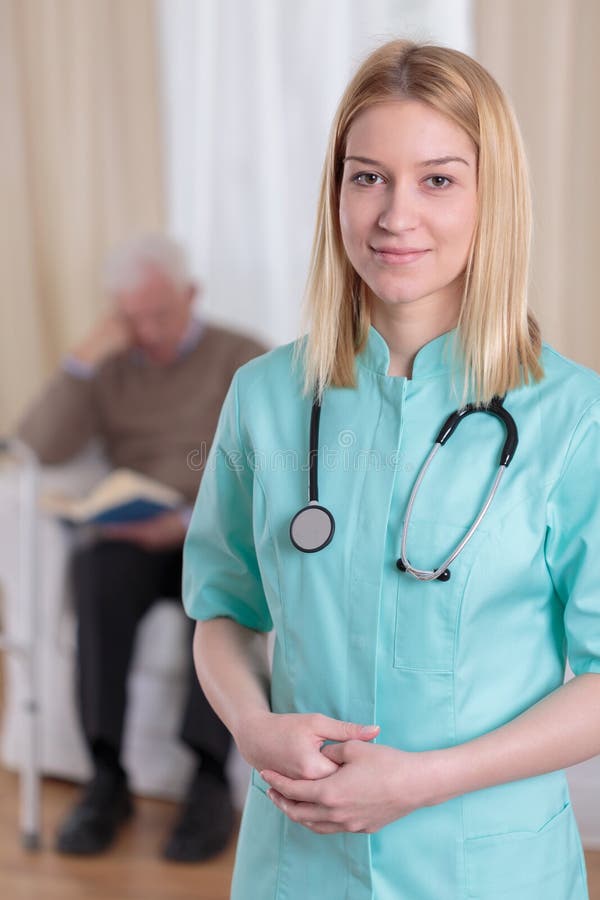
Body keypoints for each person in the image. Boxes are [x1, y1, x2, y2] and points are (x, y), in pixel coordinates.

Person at [182, 40, 600, 900]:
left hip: (487, 865)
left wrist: (424, 780)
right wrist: (253, 725)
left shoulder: (574, 416)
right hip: (296, 865)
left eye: (438, 179)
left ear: (494, 197)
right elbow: (221, 611)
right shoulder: (264, 396)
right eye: (366, 177)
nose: (394, 215)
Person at [17, 234, 267, 861]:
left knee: (221, 588)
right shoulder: (110, 368)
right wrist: (81, 360)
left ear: (191, 296)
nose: (147, 330)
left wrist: (189, 519)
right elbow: (32, 449)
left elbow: (276, 467)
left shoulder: (241, 359)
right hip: (134, 536)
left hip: (210, 532)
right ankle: (107, 778)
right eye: (132, 317)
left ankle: (208, 782)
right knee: (97, 572)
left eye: (159, 313)